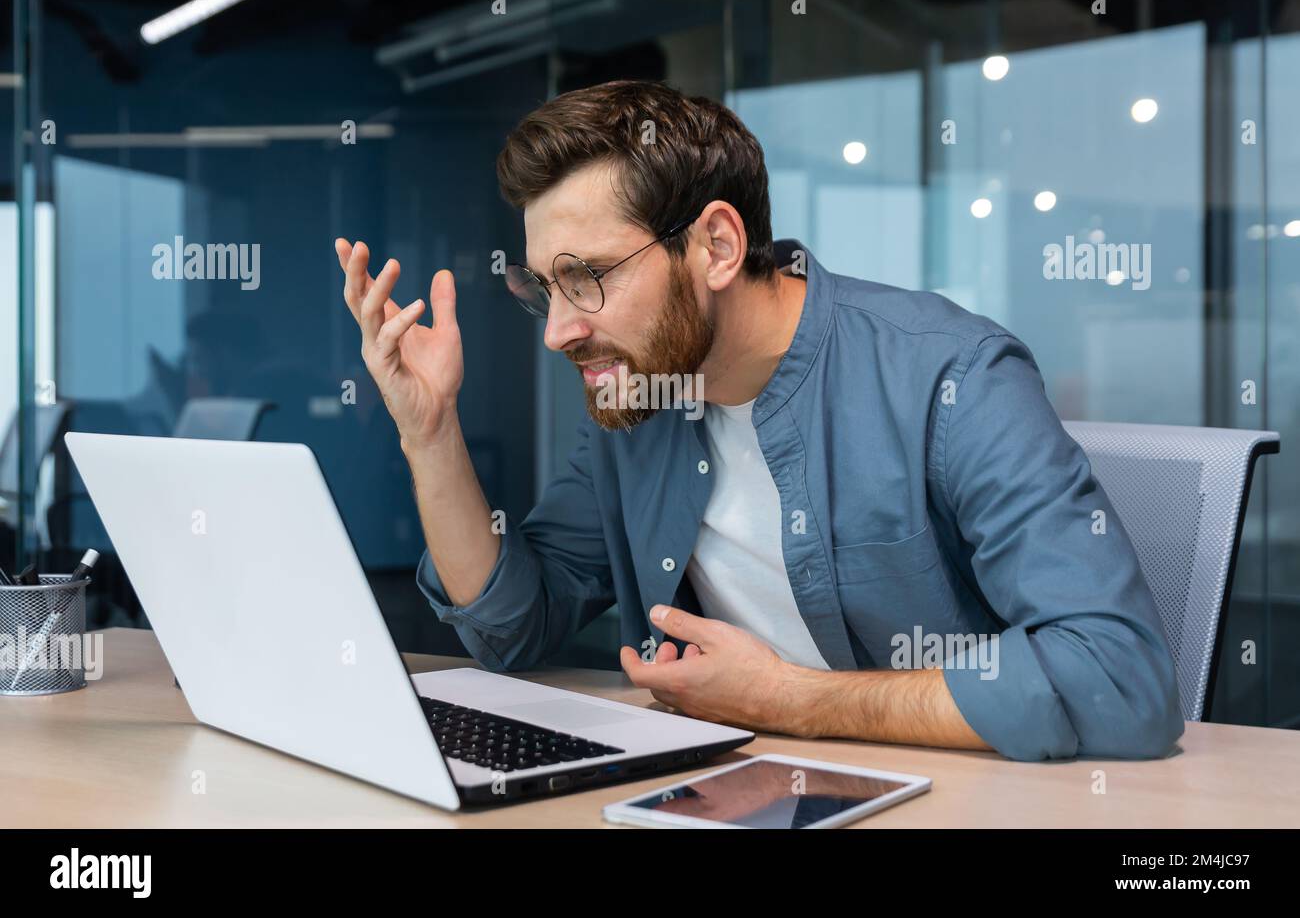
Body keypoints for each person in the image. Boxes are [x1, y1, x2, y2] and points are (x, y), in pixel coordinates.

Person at [334, 79, 1183, 760]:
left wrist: (793, 702)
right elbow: (515, 626)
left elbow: (1122, 679)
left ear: (716, 247)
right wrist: (429, 429)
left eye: (587, 277)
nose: (559, 329)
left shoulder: (949, 378)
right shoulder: (642, 395)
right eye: (542, 289)